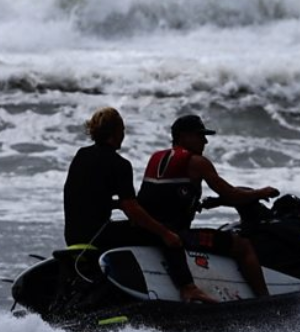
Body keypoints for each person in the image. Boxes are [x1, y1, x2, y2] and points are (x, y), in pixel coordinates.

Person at [62, 107, 212, 303]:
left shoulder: (81, 155)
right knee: (167, 234)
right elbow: (132, 209)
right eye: (123, 130)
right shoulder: (120, 164)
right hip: (99, 236)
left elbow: (85, 194)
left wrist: (116, 204)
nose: (123, 135)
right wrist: (164, 233)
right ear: (116, 132)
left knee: (147, 228)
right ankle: (188, 288)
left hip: (72, 234)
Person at [138, 114, 280, 300]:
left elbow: (164, 197)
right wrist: (261, 192)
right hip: (176, 236)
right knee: (243, 246)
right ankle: (265, 300)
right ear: (183, 136)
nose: (205, 141)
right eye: (200, 135)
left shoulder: (156, 157)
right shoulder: (197, 162)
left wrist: (209, 202)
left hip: (151, 231)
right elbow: (232, 195)